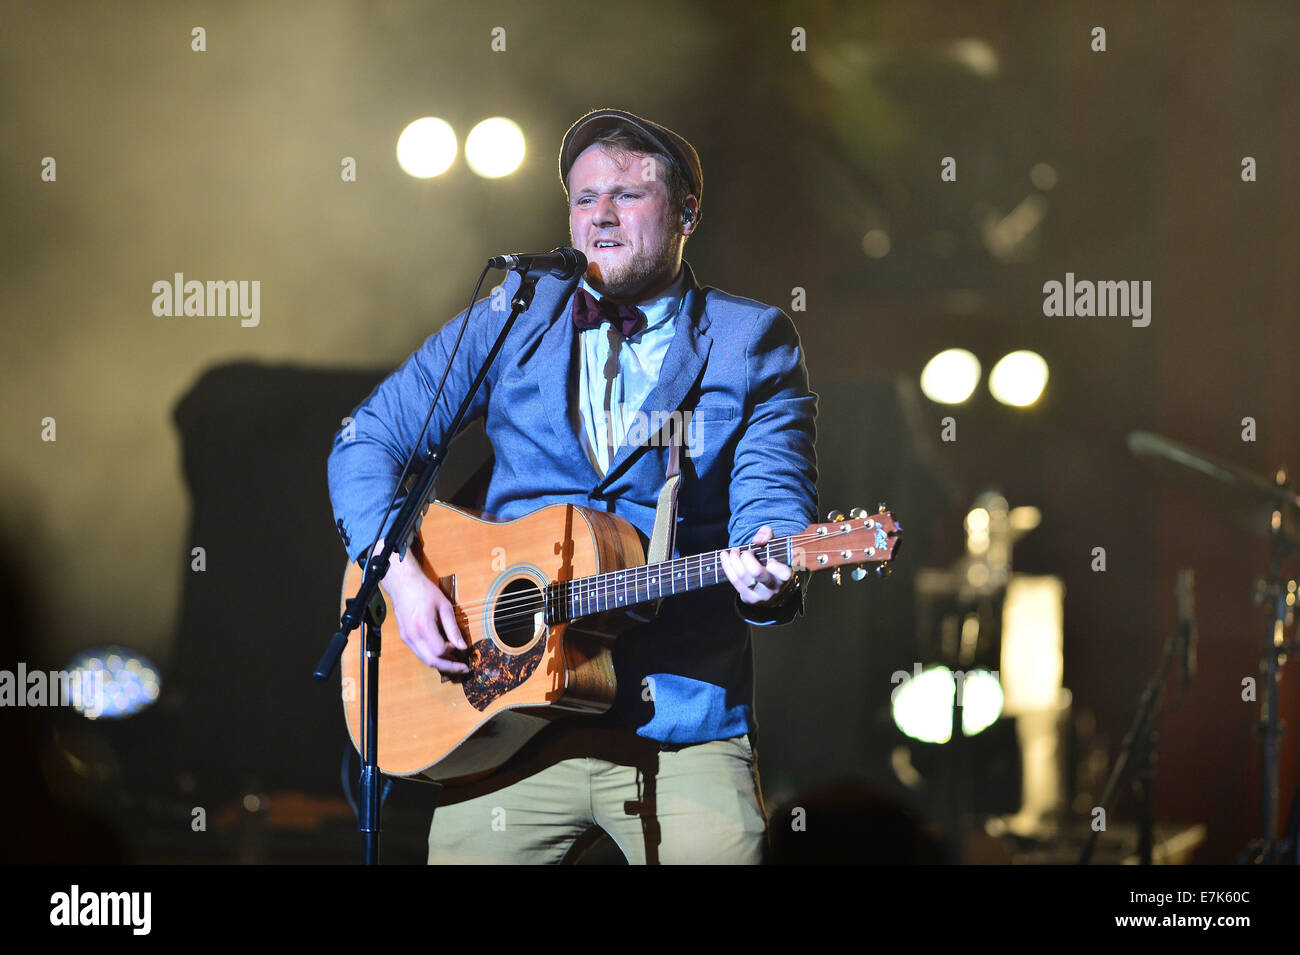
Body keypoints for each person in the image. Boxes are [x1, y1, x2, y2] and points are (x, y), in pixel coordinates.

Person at [327, 108, 817, 863]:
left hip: (677, 721)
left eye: (626, 194)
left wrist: (768, 567)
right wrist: (403, 577)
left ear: (686, 211)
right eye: (585, 199)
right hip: (502, 723)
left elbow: (773, 496)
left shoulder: (750, 340)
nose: (602, 216)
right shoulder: (513, 313)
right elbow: (367, 441)